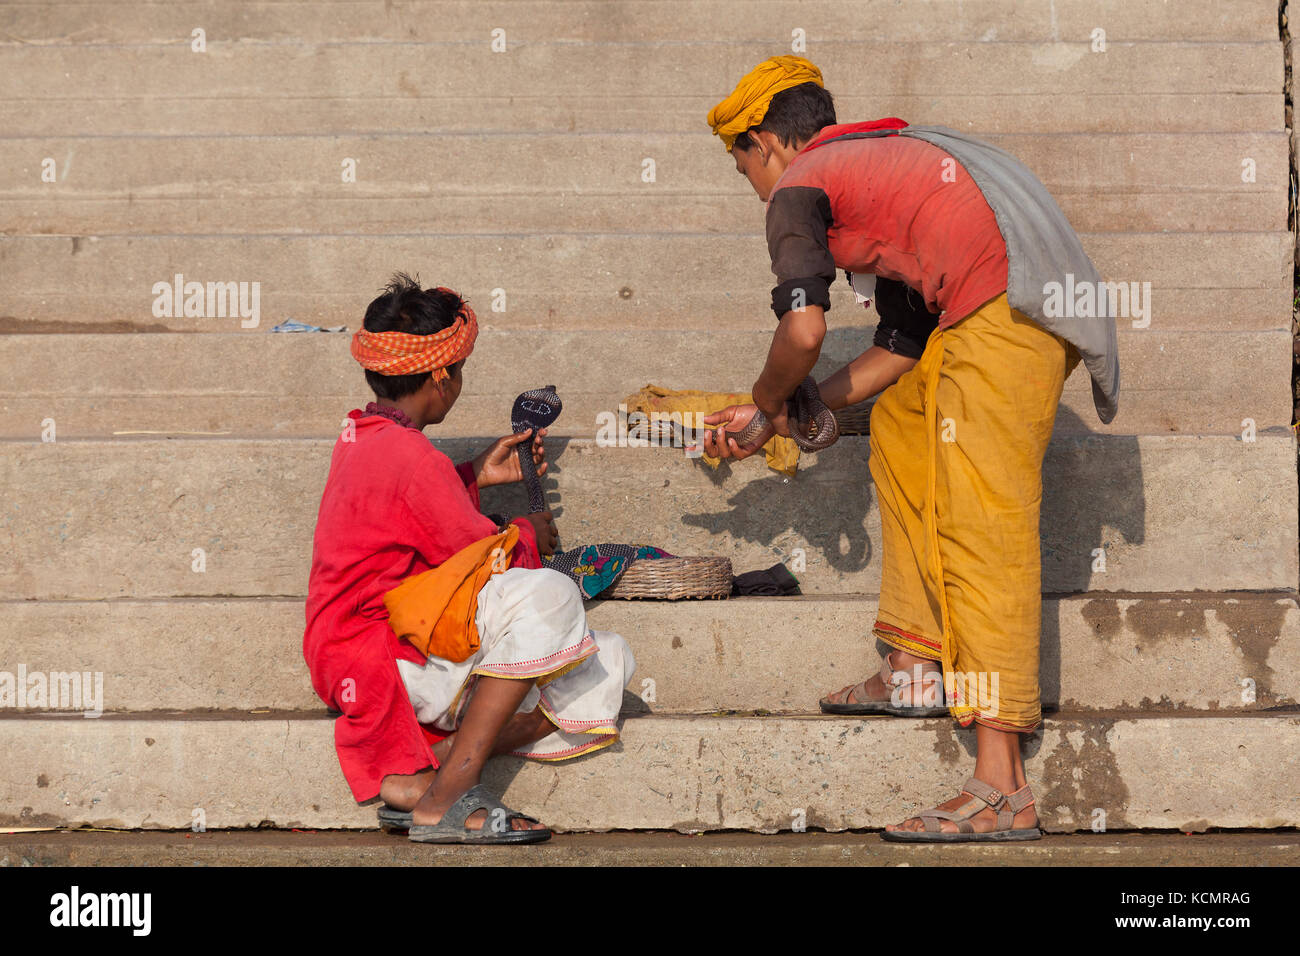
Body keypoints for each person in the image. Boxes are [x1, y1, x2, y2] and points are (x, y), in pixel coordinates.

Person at [701, 56, 1118, 842]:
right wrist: (791, 411)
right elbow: (898, 347)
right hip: (989, 310)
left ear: (765, 143)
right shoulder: (885, 169)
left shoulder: (803, 183)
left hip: (1007, 313)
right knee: (901, 420)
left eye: (743, 166)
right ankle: (915, 665)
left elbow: (803, 329)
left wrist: (761, 403)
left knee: (982, 525)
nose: (751, 186)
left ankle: (1003, 787)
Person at [303, 273, 635, 844]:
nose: (459, 383)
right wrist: (529, 532)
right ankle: (449, 793)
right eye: (458, 372)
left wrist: (474, 474)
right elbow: (486, 565)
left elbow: (406, 514)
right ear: (439, 377)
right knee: (550, 597)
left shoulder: (362, 436)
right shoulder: (410, 458)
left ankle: (432, 763)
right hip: (384, 657)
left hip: (364, 654)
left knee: (606, 656)